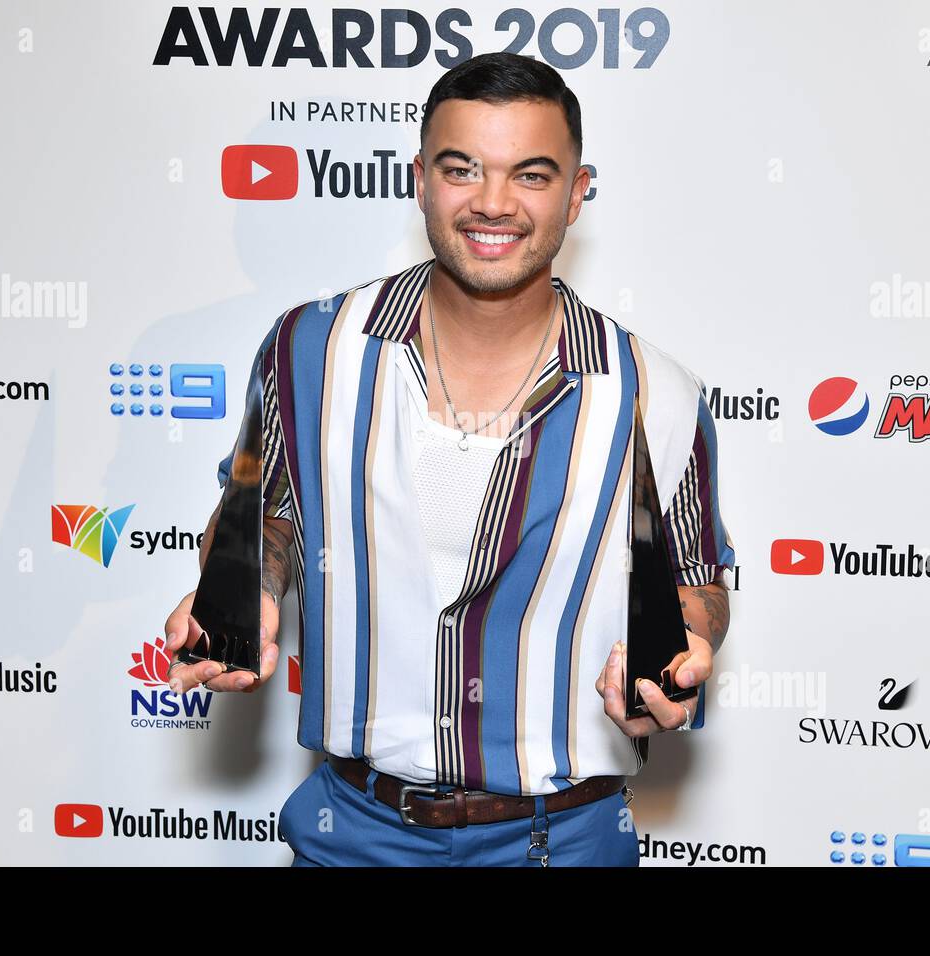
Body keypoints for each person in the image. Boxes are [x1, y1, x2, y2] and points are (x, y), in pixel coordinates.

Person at [164, 51, 735, 867]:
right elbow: (267, 514)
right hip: (351, 834)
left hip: (560, 840)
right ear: (420, 180)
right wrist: (248, 584)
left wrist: (682, 644)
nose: (493, 203)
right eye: (462, 168)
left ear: (577, 193)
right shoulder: (310, 350)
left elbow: (699, 579)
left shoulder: (654, 389)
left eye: (531, 175)